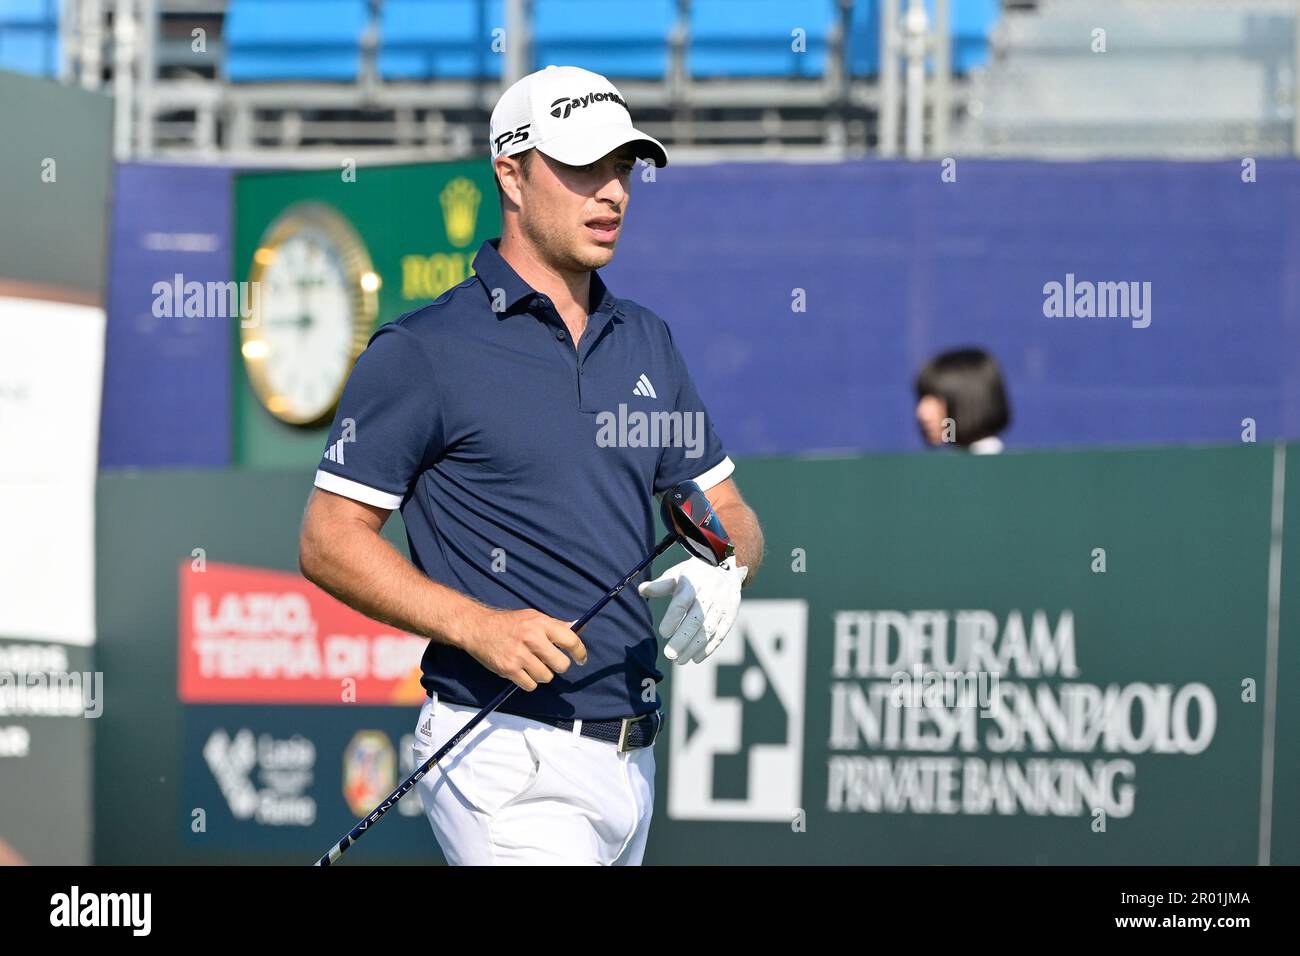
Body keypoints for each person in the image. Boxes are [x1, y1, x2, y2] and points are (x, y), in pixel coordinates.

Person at [298, 65, 764, 865]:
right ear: (510, 173)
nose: (613, 192)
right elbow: (328, 539)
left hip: (630, 761)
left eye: (622, 168)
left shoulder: (646, 339)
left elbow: (733, 513)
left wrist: (726, 568)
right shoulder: (425, 350)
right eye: (584, 167)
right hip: (502, 751)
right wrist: (474, 624)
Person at [914, 347, 1011, 454]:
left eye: (936, 399)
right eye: (922, 399)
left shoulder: (1004, 469)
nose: (922, 414)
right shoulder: (946, 468)